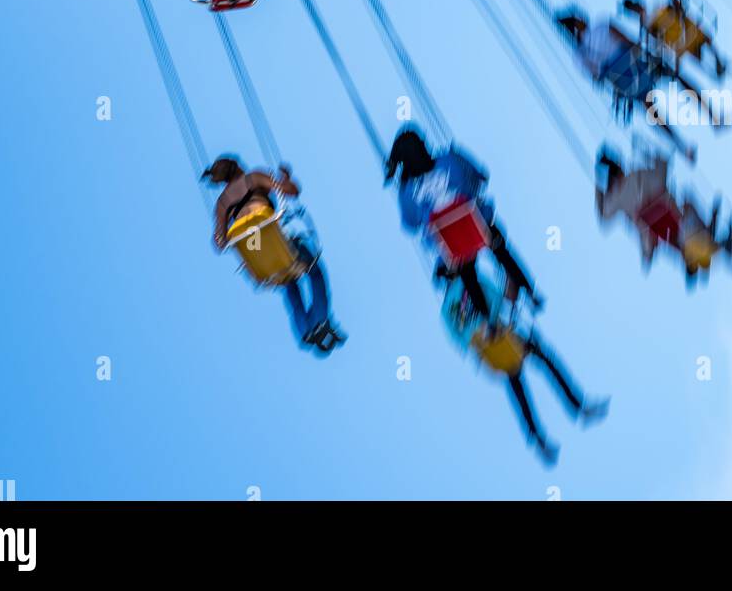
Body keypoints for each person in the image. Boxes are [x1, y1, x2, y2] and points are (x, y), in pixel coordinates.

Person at [439, 255, 609, 465]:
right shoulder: (472, 280)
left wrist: (482, 351)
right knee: (543, 358)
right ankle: (577, 406)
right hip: (501, 334)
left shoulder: (445, 311)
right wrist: (512, 284)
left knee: (518, 386)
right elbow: (499, 299)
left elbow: (460, 342)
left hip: (487, 349)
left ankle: (537, 436)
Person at [384, 125, 540, 314]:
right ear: (424, 146)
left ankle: (484, 316)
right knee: (498, 246)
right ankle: (527, 289)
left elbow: (411, 225)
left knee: (465, 272)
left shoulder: (407, 192)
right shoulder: (450, 159)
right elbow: (481, 177)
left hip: (453, 245)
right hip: (478, 226)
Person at [202, 155, 346, 355]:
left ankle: (305, 330)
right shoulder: (252, 178)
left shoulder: (222, 203)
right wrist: (285, 177)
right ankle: (320, 321)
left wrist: (229, 232)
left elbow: (219, 242)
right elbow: (292, 191)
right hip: (278, 246)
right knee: (313, 269)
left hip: (260, 263)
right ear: (236, 168)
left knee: (288, 281)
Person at [595, 146, 732, 290]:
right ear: (619, 165)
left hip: (677, 234)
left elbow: (603, 215)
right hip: (683, 232)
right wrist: (647, 153)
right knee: (726, 228)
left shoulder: (616, 198)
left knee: (692, 222)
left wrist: (599, 188)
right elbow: (663, 161)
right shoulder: (641, 174)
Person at [557, 10, 708, 158]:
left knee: (650, 109)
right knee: (675, 77)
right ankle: (710, 112)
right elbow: (624, 38)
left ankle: (681, 145)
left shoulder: (579, 55)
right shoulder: (600, 26)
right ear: (577, 21)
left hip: (622, 79)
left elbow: (596, 78)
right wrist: (642, 50)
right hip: (633, 61)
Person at [620, 0, 728, 81]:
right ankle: (713, 69)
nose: (638, 6)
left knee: (705, 39)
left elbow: (676, 7)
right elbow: (657, 39)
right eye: (634, 6)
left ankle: (718, 61)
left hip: (683, 26)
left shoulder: (657, 6)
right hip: (677, 37)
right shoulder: (646, 24)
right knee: (696, 51)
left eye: (636, 3)